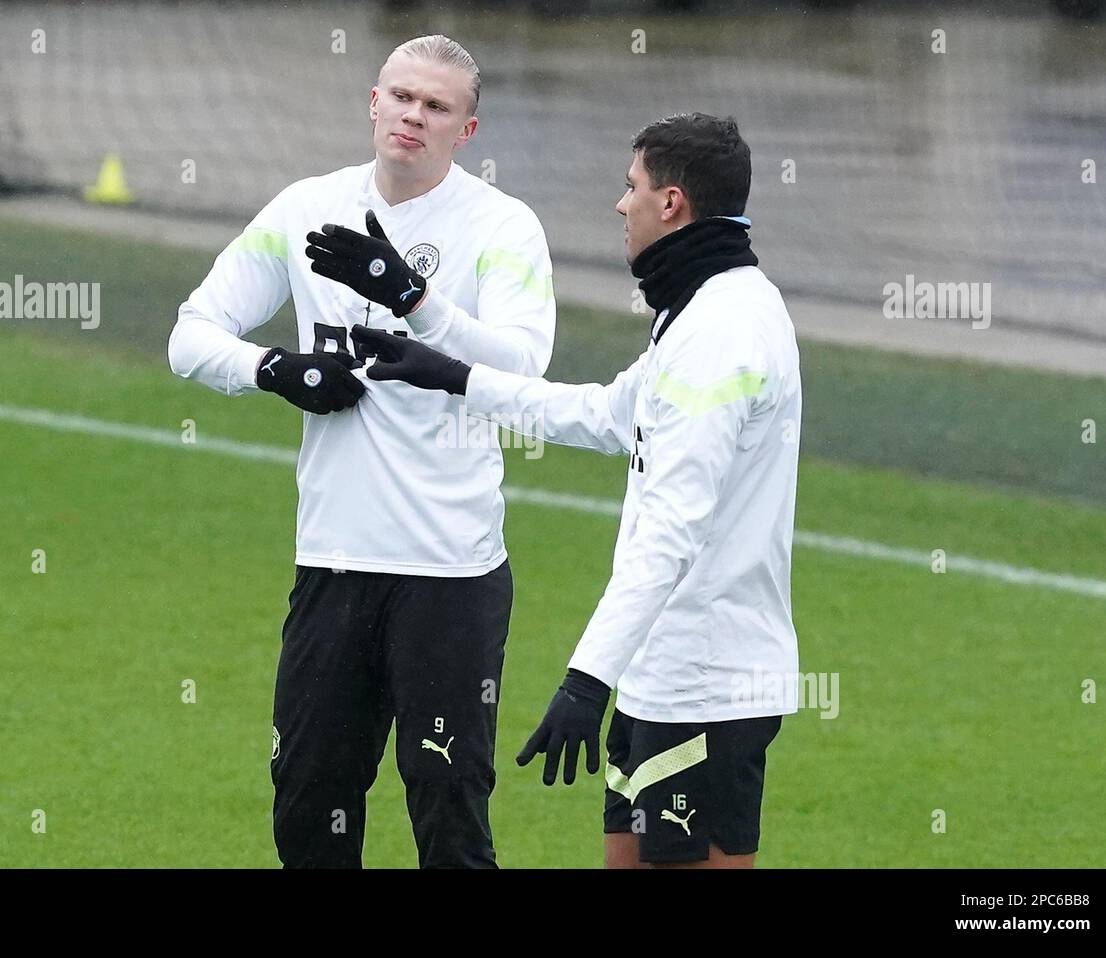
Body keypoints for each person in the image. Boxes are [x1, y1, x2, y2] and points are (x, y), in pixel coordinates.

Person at [350, 113, 801, 870]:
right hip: (659, 678)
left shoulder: (723, 335)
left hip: (706, 683)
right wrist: (454, 375)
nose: (618, 205)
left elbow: (671, 529)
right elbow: (607, 413)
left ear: (673, 203)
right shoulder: (694, 311)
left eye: (631, 187)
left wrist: (585, 681)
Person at [167, 35, 556, 869]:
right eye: (402, 97)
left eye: (437, 106)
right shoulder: (308, 205)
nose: (415, 115)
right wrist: (276, 369)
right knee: (308, 806)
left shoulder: (502, 227)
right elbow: (190, 335)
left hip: (449, 574)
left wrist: (416, 300)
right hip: (335, 562)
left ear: (468, 130)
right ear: (372, 103)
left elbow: (526, 367)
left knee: (448, 816)